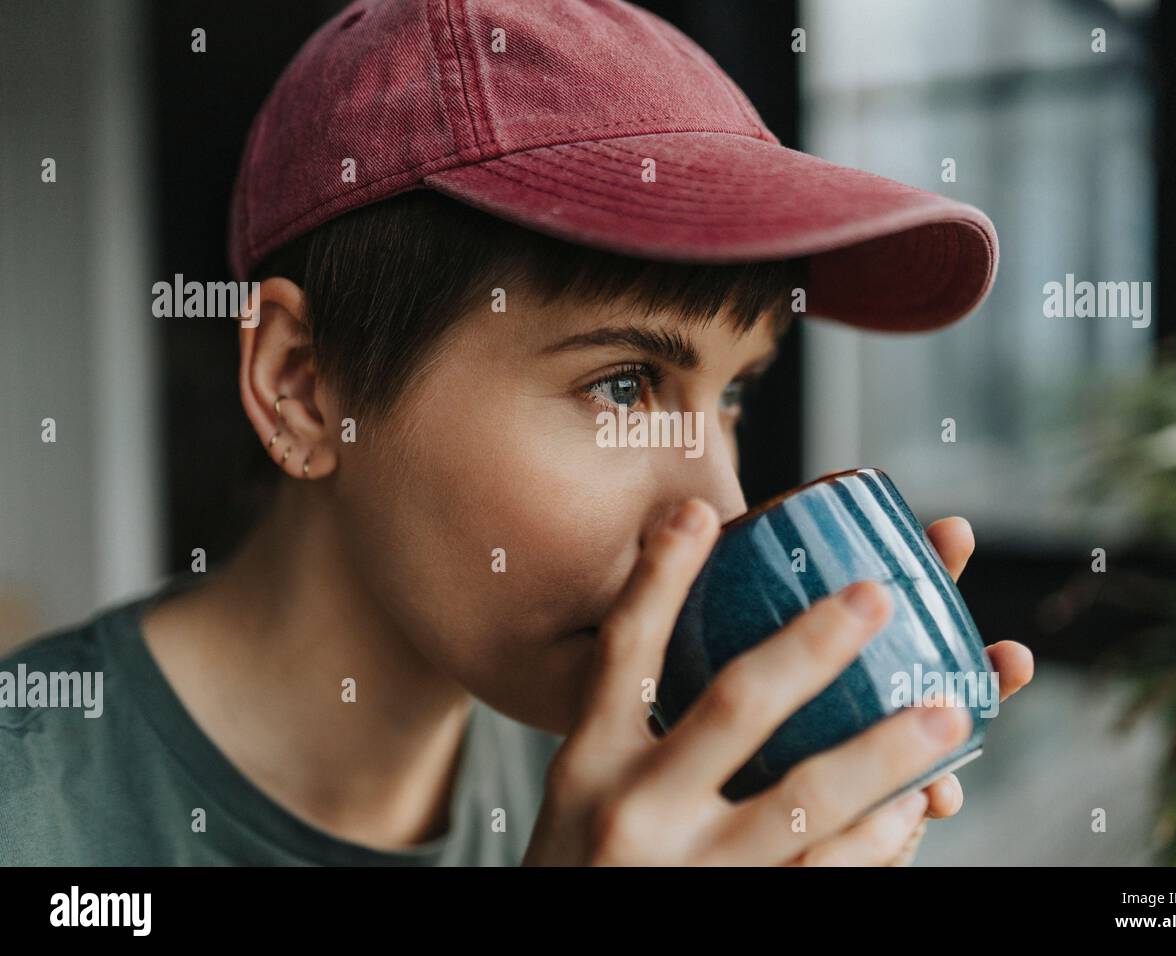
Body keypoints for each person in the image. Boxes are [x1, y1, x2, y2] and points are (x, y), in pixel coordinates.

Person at [0, 0, 1032, 866]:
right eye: (624, 385)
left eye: (731, 395)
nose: (717, 510)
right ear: (302, 387)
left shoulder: (651, 773)